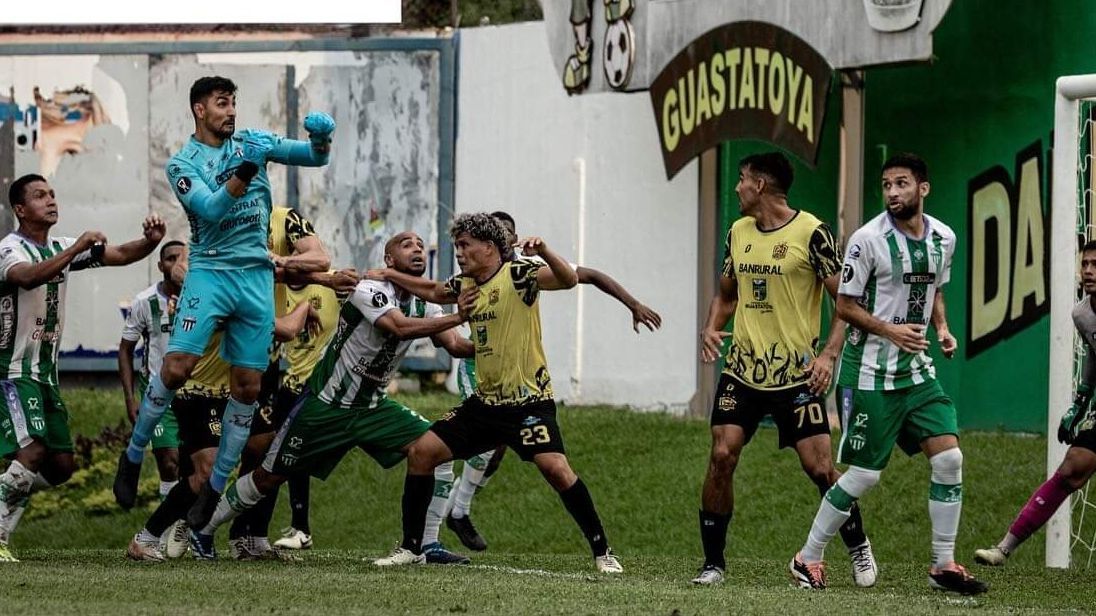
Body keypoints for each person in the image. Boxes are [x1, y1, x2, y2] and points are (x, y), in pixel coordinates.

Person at [113, 76, 336, 532]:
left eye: (233, 102)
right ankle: (133, 455)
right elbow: (211, 209)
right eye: (221, 103)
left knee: (248, 387)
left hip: (254, 277)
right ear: (200, 110)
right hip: (211, 272)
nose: (231, 111)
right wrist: (248, 168)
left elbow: (314, 158)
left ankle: (214, 487)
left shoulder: (254, 141)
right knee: (177, 367)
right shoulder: (182, 163)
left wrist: (321, 137)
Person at [187, 231, 475, 559]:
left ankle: (428, 544)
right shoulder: (370, 289)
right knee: (268, 477)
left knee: (436, 451)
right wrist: (458, 316)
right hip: (325, 405)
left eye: (421, 245)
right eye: (407, 245)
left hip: (372, 407)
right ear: (389, 259)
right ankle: (203, 530)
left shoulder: (427, 304)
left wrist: (491, 341)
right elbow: (398, 327)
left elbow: (455, 344)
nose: (418, 249)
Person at [371, 213, 622, 573]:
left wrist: (545, 251)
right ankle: (412, 547)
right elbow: (434, 291)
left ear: (488, 247)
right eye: (457, 246)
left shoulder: (519, 274)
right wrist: (388, 275)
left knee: (556, 469)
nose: (459, 253)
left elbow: (568, 280)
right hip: (485, 405)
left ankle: (602, 552)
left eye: (465, 245)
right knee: (422, 453)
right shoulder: (466, 284)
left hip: (528, 403)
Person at [789, 153, 987, 595]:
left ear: (923, 188)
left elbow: (934, 289)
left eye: (901, 183)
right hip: (868, 373)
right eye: (886, 185)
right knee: (864, 475)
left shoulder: (944, 237)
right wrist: (891, 331)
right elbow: (844, 305)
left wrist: (942, 329)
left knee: (950, 459)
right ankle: (808, 557)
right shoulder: (867, 240)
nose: (893, 192)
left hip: (916, 372)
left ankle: (943, 565)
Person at [691, 152, 875, 586]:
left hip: (797, 375)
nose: (737, 187)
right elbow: (727, 296)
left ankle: (858, 546)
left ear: (760, 185)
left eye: (742, 179)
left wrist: (828, 355)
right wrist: (711, 327)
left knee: (821, 469)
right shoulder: (737, 232)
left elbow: (847, 303)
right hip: (741, 372)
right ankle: (713, 563)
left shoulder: (813, 233)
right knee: (721, 455)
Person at [0, 173, 165, 562]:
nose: (51, 200)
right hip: (13, 373)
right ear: (20, 209)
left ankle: (7, 490)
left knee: (61, 466)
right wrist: (76, 248)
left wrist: (150, 242)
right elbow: (27, 277)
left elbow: (119, 254)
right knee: (32, 451)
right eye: (40, 196)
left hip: (46, 375)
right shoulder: (10, 249)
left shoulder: (59, 247)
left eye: (53, 194)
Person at [125, 274, 323, 562]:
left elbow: (287, 269)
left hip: (233, 393)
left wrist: (325, 282)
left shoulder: (237, 285)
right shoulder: (222, 297)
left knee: (268, 451)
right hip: (199, 392)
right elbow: (287, 330)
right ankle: (148, 537)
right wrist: (304, 307)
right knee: (205, 472)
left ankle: (248, 538)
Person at [973, 241, 1096, 566]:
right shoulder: (1082, 314)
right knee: (1072, 468)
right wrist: (1080, 403)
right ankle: (1003, 549)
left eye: (1095, 264)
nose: (1088, 271)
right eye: (1085, 264)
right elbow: (1093, 355)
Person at [118, 241, 186, 505]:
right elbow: (125, 350)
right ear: (160, 266)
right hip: (158, 391)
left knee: (193, 466)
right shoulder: (145, 302)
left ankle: (181, 523)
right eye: (170, 258)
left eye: (182, 258)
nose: (177, 264)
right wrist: (130, 399)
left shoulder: (202, 298)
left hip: (195, 391)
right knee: (169, 462)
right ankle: (167, 525)